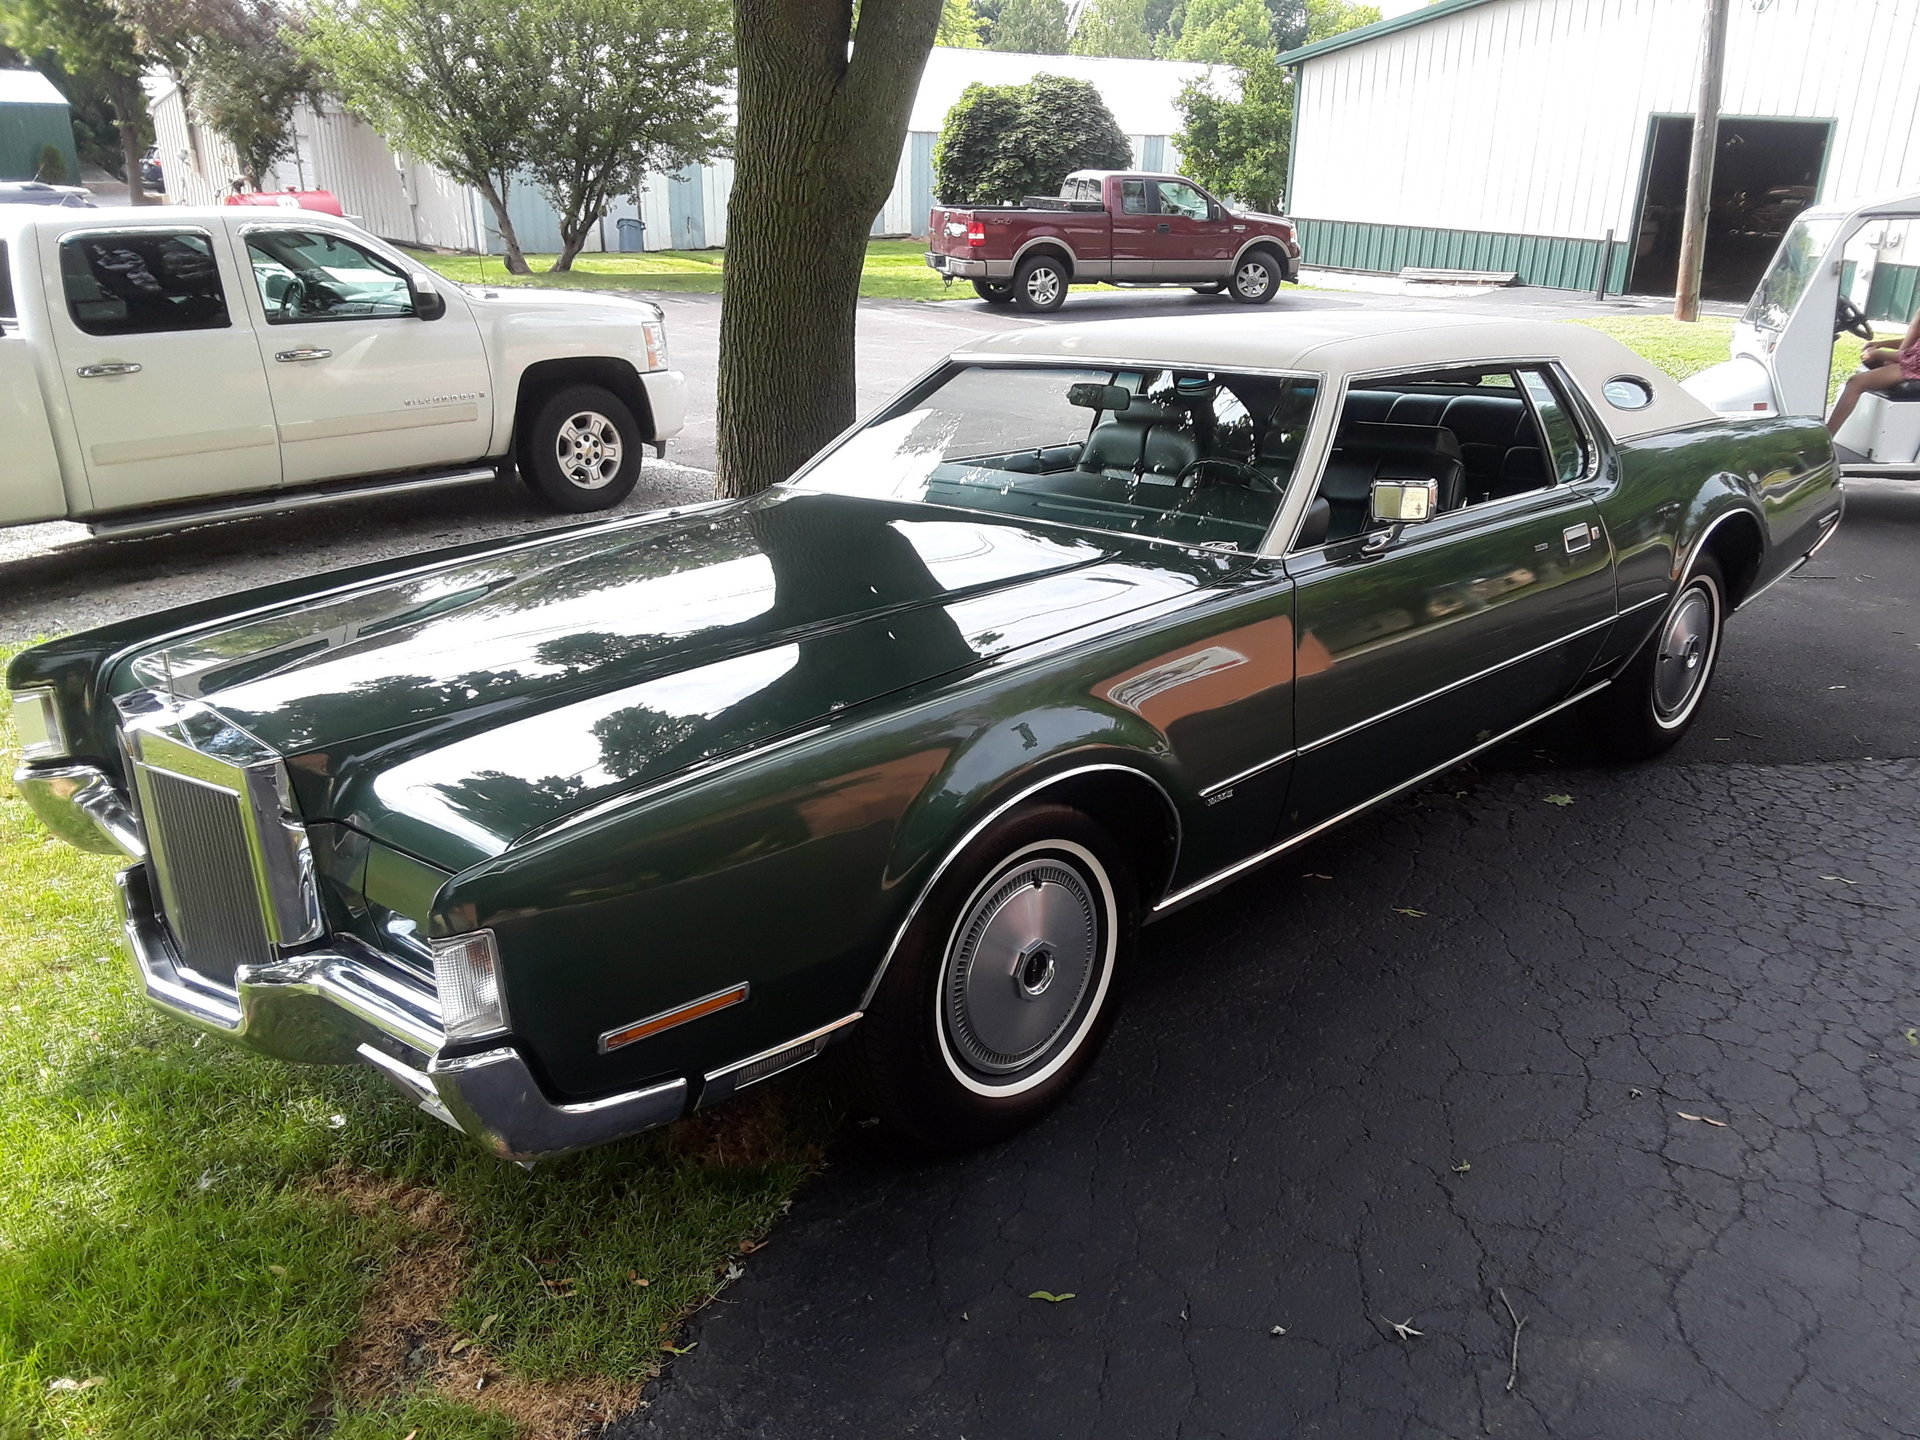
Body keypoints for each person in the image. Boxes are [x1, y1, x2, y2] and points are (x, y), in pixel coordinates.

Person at [1827, 304, 1920, 435]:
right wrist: (1881, 344)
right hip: (1910, 364)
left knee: (1856, 383)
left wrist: (1879, 353)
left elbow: (1914, 359)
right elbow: (1913, 342)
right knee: (1870, 361)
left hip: (1914, 369)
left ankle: (1827, 437)